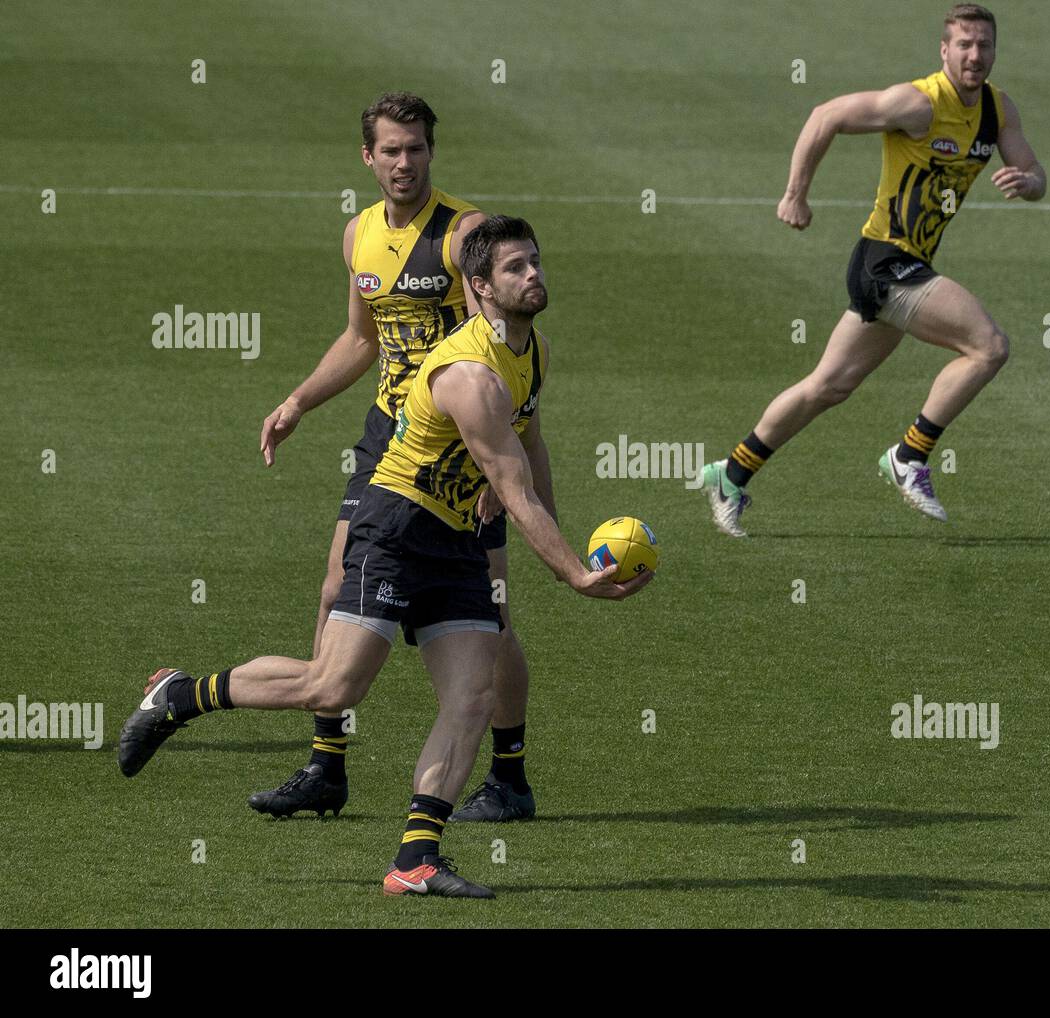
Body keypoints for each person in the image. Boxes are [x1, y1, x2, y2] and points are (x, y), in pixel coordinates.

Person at [119, 216, 652, 898]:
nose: (534, 275)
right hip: (397, 530)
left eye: (536, 262)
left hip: (455, 542)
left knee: (472, 693)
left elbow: (530, 446)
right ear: (480, 286)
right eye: (516, 268)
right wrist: (572, 573)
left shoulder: (534, 350)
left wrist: (564, 537)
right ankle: (181, 696)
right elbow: (511, 480)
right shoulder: (470, 374)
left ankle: (415, 860)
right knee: (332, 688)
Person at [253, 92, 541, 823]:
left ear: (430, 153)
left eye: (416, 148)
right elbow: (360, 339)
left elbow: (502, 345)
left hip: (461, 440)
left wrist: (497, 466)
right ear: (368, 158)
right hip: (388, 434)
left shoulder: (463, 233)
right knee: (333, 589)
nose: (404, 162)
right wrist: (296, 402)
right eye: (391, 150)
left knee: (491, 611)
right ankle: (326, 764)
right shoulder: (359, 237)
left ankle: (508, 776)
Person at [699, 4, 1045, 535]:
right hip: (886, 261)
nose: (976, 55)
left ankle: (732, 473)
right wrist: (795, 195)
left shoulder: (998, 111)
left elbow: (1034, 172)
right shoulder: (919, 103)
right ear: (944, 51)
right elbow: (826, 115)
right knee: (988, 346)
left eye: (985, 46)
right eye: (965, 45)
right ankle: (910, 455)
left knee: (828, 386)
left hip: (906, 265)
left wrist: (1028, 184)